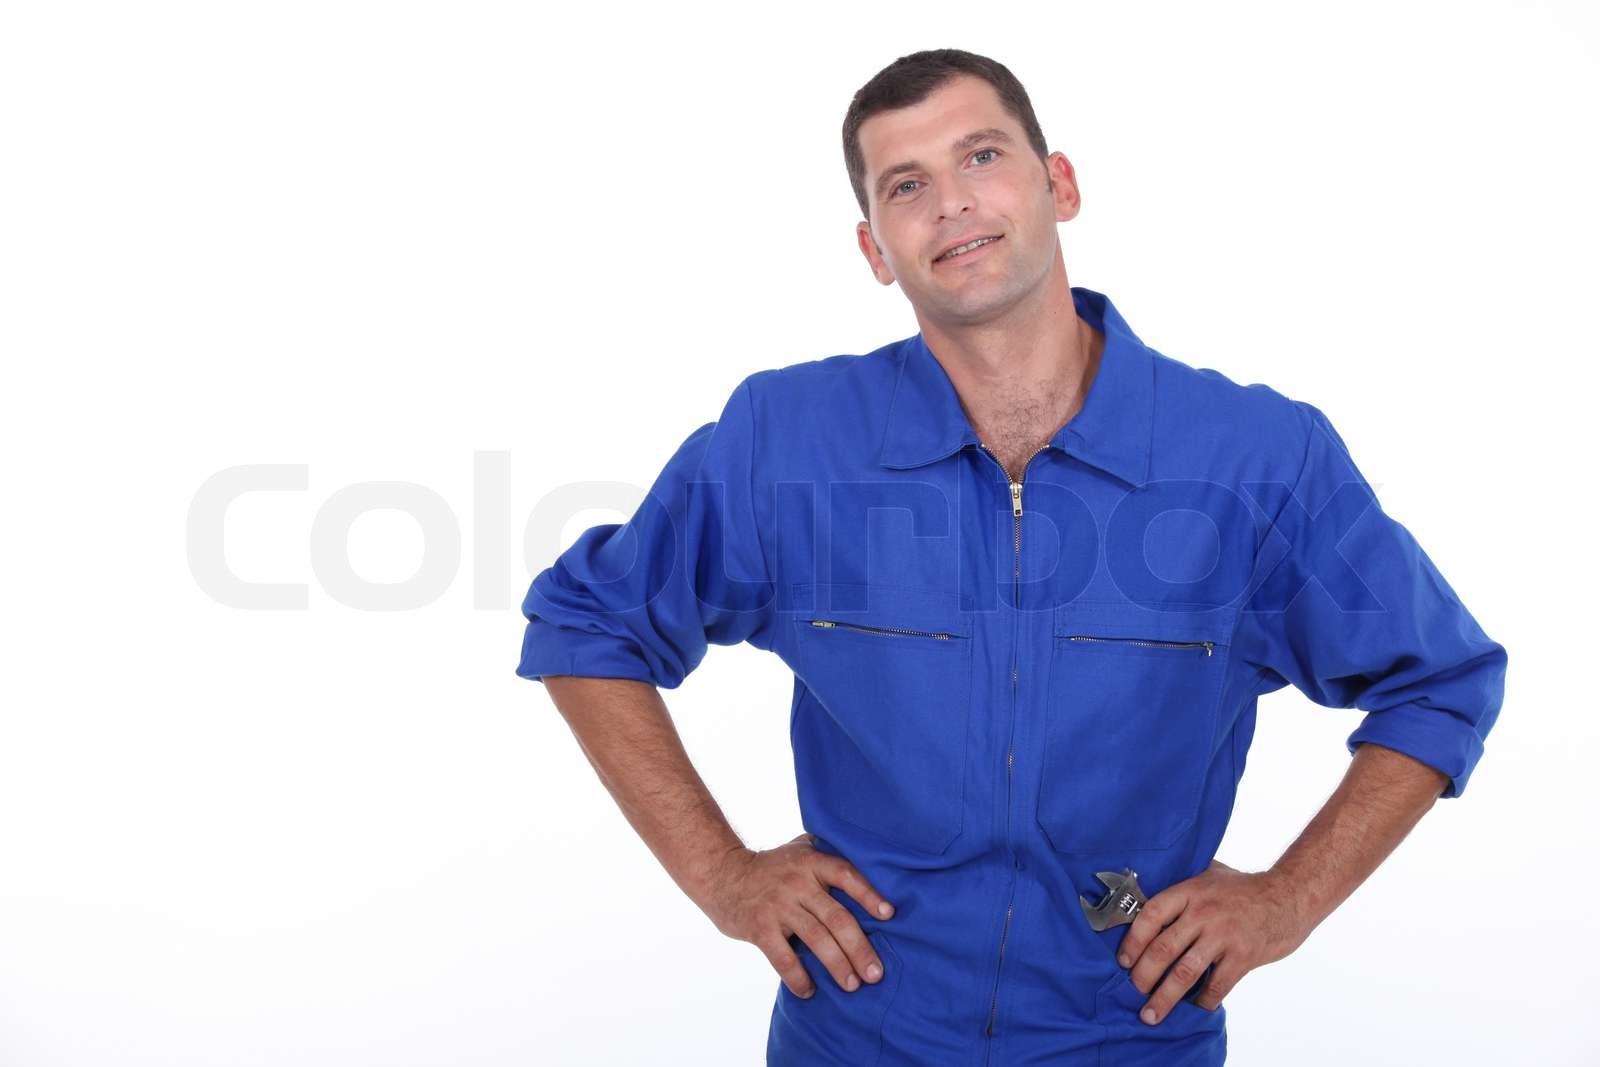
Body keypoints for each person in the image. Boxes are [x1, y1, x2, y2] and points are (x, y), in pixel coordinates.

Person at [514, 48, 1508, 1067]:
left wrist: (1288, 899)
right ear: (873, 246)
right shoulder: (788, 439)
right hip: (856, 1034)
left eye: (980, 156)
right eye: (906, 186)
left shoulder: (1254, 456)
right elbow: (587, 622)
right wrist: (722, 874)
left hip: (1130, 1038)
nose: (951, 203)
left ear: (1058, 184)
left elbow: (1440, 681)